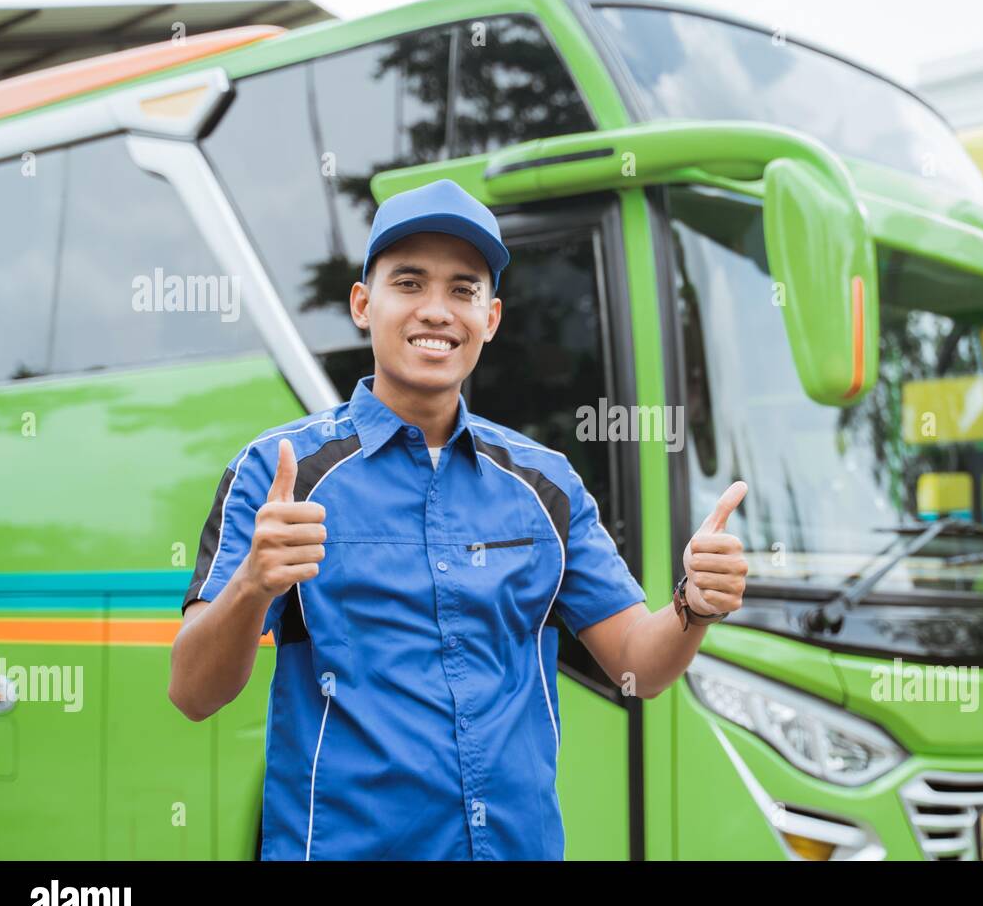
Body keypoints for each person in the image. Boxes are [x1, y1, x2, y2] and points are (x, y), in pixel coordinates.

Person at [168, 178, 749, 860]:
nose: (437, 311)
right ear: (363, 303)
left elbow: (638, 669)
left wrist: (694, 605)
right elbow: (192, 692)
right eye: (409, 284)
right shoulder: (279, 471)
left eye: (463, 290)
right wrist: (252, 586)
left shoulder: (544, 482)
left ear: (491, 317)